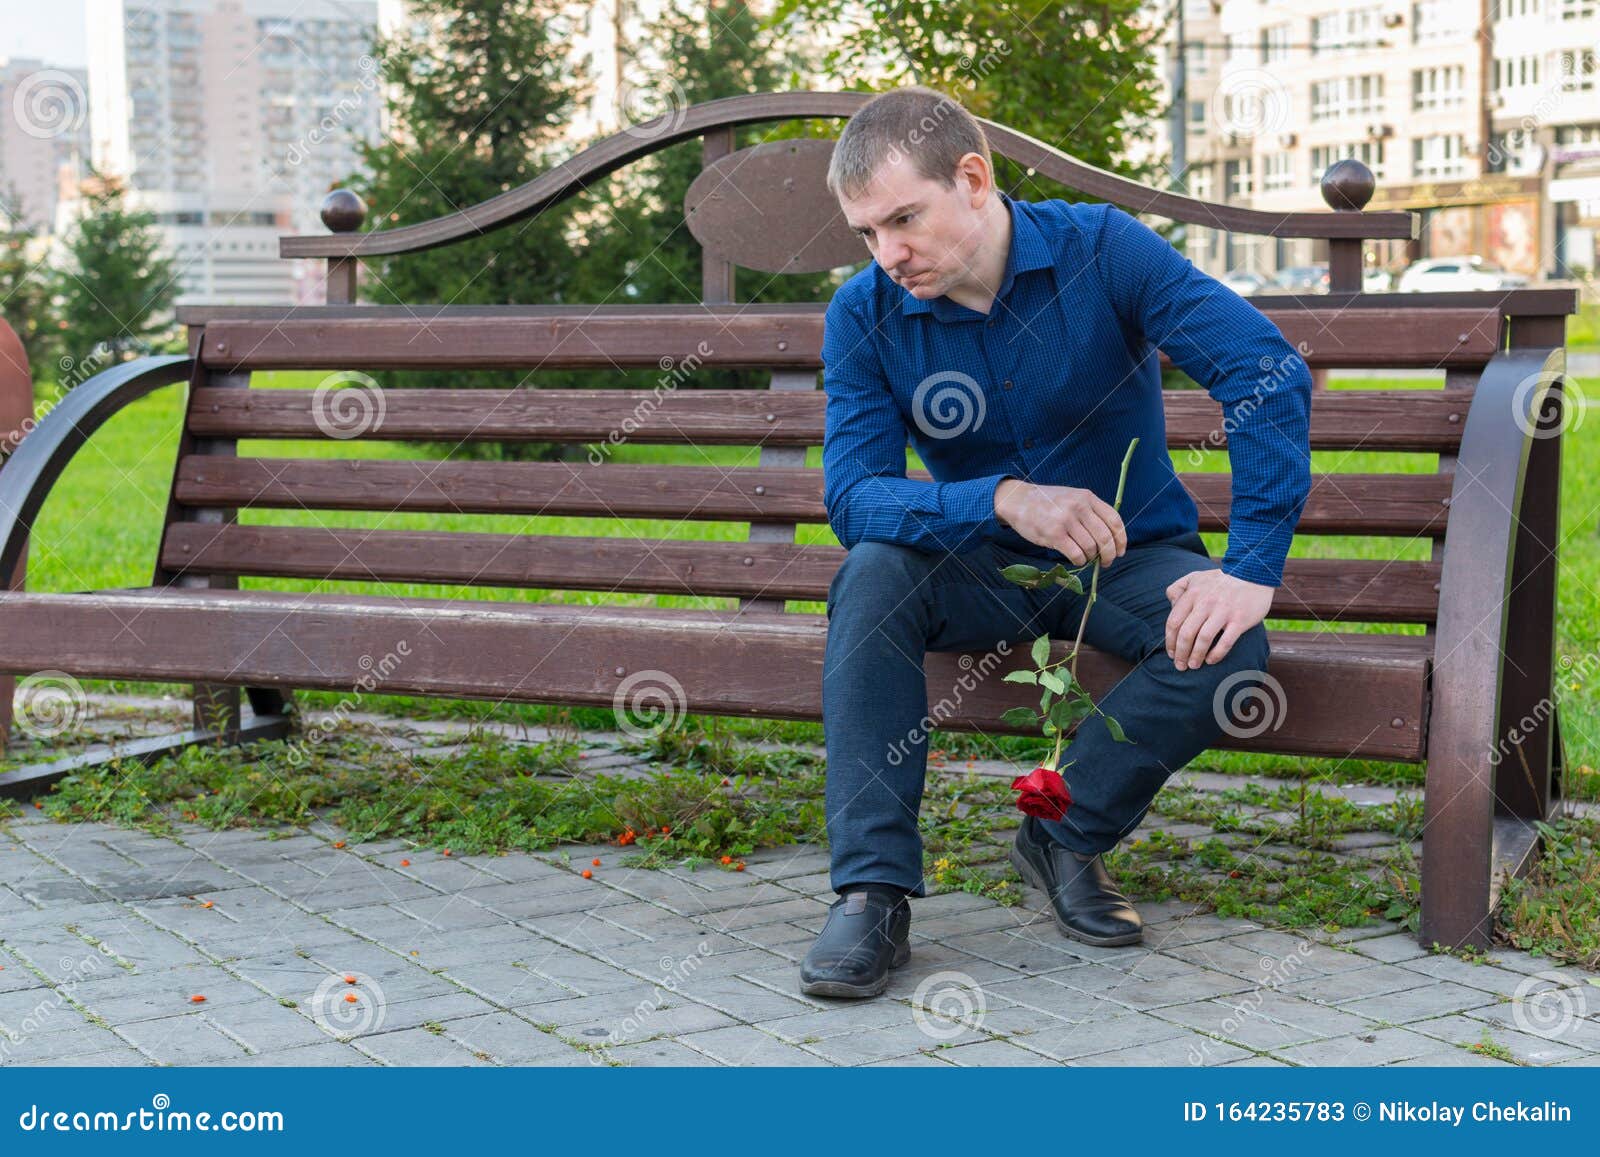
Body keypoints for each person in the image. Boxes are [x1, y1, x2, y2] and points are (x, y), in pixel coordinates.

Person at [798, 86, 1311, 999]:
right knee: (872, 574)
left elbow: (1263, 369)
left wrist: (1251, 569)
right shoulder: (864, 314)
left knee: (1230, 652)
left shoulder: (1103, 252)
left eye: (904, 220)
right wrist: (1000, 500)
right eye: (867, 234)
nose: (889, 255)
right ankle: (872, 893)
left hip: (1129, 558)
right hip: (978, 571)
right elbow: (854, 497)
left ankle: (1061, 831)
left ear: (973, 178)